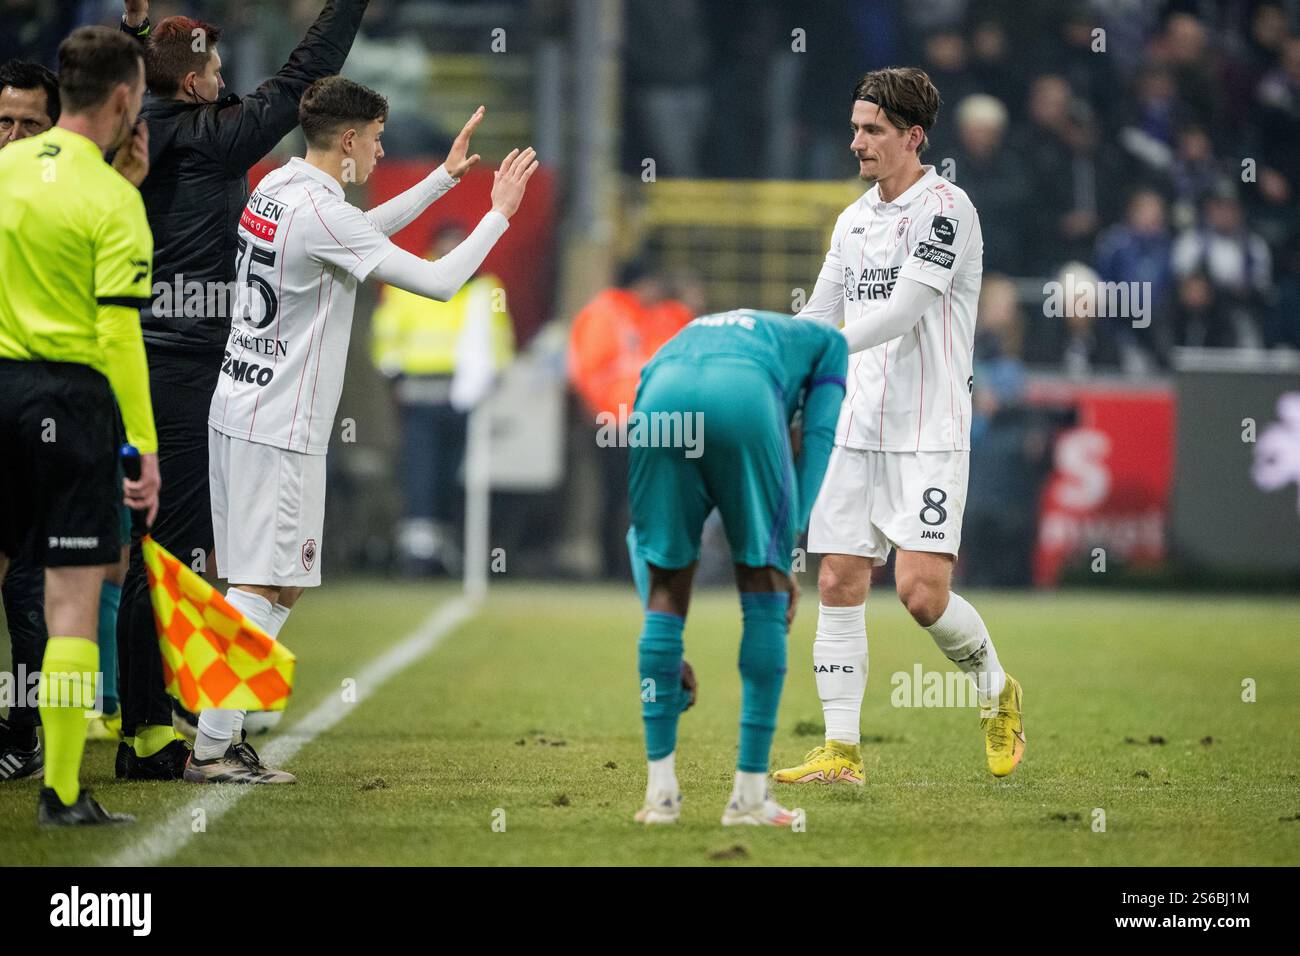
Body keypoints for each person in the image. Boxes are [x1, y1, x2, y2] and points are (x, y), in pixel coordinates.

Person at [192, 78, 535, 783]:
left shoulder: (281, 187)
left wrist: (442, 180)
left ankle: (218, 728)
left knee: (272, 584)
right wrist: (496, 215)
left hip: (242, 407)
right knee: (260, 587)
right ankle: (211, 745)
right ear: (348, 140)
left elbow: (354, 237)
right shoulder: (321, 211)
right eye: (377, 139)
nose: (382, 152)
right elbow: (440, 282)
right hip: (279, 422)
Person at [111, 0, 370, 783]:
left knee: (151, 552)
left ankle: (159, 717)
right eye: (218, 75)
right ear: (192, 84)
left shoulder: (131, 134)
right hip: (182, 368)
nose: (230, 88)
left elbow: (102, 85)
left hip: (149, 357)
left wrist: (128, 38)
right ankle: (154, 732)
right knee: (171, 557)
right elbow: (299, 82)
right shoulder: (205, 139)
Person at [775, 67, 1024, 788]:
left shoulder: (948, 211)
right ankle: (841, 752)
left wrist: (817, 351)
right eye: (855, 127)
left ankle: (994, 687)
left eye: (872, 130)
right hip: (855, 425)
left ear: (913, 138)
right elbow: (820, 316)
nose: (857, 142)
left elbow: (902, 312)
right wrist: (760, 351)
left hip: (929, 431)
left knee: (921, 594)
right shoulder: (852, 220)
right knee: (840, 577)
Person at [0, 26, 160, 826]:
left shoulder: (2, 169)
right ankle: (61, 794)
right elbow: (117, 336)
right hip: (68, 400)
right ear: (127, 98)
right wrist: (146, 446)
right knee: (70, 604)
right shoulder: (114, 201)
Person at [627, 309, 846, 826]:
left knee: (666, 584)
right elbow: (818, 437)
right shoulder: (829, 344)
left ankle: (660, 797)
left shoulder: (686, 337)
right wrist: (784, 545)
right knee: (762, 594)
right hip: (742, 395)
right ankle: (748, 796)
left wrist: (664, 650)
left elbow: (641, 539)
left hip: (660, 395)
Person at [371, 222, 516, 577]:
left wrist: (491, 377)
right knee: (421, 472)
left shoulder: (485, 291)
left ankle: (445, 549)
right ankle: (418, 553)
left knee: (455, 475)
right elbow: (386, 332)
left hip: (465, 397)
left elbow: (499, 339)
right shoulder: (410, 280)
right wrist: (394, 373)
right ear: (435, 249)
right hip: (420, 393)